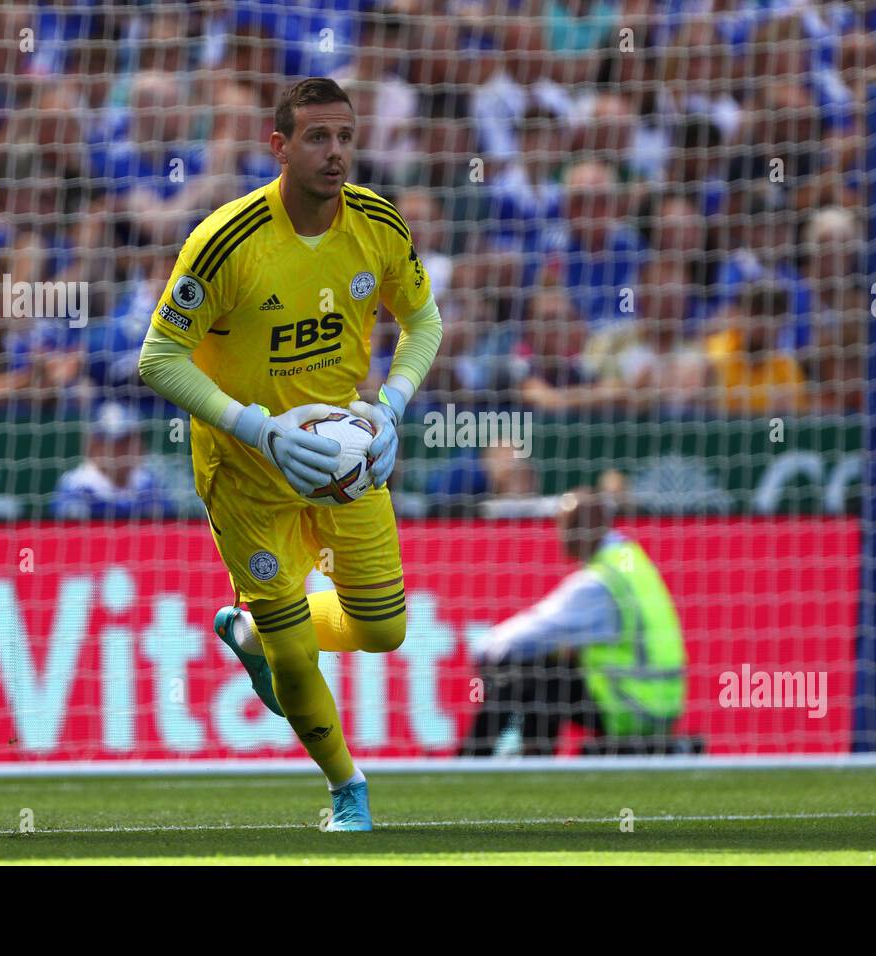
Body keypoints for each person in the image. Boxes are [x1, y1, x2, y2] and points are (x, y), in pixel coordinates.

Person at [138, 78, 442, 831]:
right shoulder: (225, 241)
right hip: (246, 472)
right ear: (279, 146)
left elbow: (423, 320)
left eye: (344, 136)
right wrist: (259, 428)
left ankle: (251, 632)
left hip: (344, 459)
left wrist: (394, 405)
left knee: (383, 631)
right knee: (296, 660)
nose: (335, 152)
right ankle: (348, 790)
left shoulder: (376, 224)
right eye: (316, 137)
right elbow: (158, 358)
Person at [460, 488, 688, 757]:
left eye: (566, 525)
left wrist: (484, 648)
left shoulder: (598, 583)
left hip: (632, 705)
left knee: (522, 672)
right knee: (547, 670)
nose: (561, 534)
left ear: (586, 527)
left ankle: (472, 761)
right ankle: (530, 763)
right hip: (659, 702)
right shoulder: (629, 561)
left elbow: (534, 630)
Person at [51, 402, 173, 520]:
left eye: (130, 441)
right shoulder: (76, 487)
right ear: (94, 446)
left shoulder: (147, 482)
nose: (127, 449)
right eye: (117, 443)